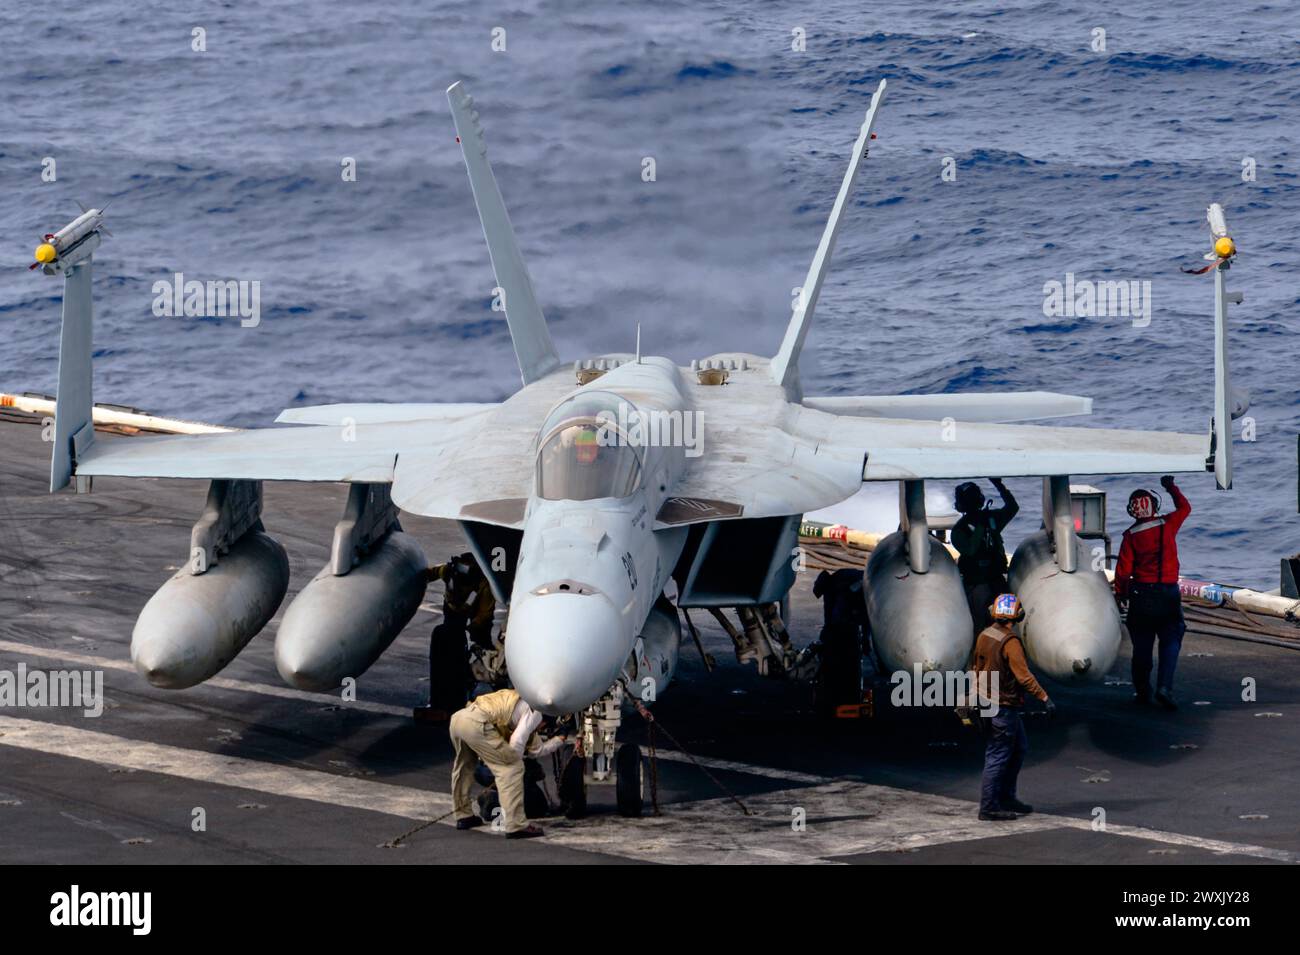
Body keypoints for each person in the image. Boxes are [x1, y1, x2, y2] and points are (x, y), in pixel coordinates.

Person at [972, 593, 1055, 821]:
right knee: (998, 755)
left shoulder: (985, 634)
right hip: (1003, 706)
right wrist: (1044, 697)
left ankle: (1006, 797)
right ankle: (989, 807)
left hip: (990, 703)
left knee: (1019, 748)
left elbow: (975, 667)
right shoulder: (1010, 642)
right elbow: (1024, 676)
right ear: (1018, 615)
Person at [1113, 475, 1191, 710]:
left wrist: (1121, 595)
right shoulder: (1168, 524)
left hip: (1142, 595)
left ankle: (1142, 691)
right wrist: (1170, 486)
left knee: (1142, 646)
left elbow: (1123, 572)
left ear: (1132, 511)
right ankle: (1164, 688)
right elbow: (1185, 507)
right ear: (1154, 506)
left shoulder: (1130, 536)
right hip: (1168, 593)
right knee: (1171, 638)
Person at [449, 687, 567, 839]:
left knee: (464, 767)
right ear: (545, 721)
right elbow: (517, 742)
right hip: (477, 723)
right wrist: (511, 763)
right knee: (513, 768)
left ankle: (463, 816)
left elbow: (536, 749)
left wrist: (558, 740)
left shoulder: (519, 699)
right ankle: (515, 825)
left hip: (459, 718)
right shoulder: (536, 713)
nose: (540, 729)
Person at [414, 553, 496, 722]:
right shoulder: (450, 572)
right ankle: (457, 689)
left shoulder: (483, 585)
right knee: (448, 639)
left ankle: (499, 686)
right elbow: (432, 573)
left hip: (473, 615)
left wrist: (473, 634)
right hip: (453, 612)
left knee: (485, 649)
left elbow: (483, 617)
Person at [951, 478, 1019, 633]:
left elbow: (1013, 508)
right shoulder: (960, 531)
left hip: (996, 580)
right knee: (981, 625)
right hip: (977, 584)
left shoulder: (989, 519)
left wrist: (998, 485)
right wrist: (981, 525)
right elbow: (971, 549)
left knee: (1005, 622)